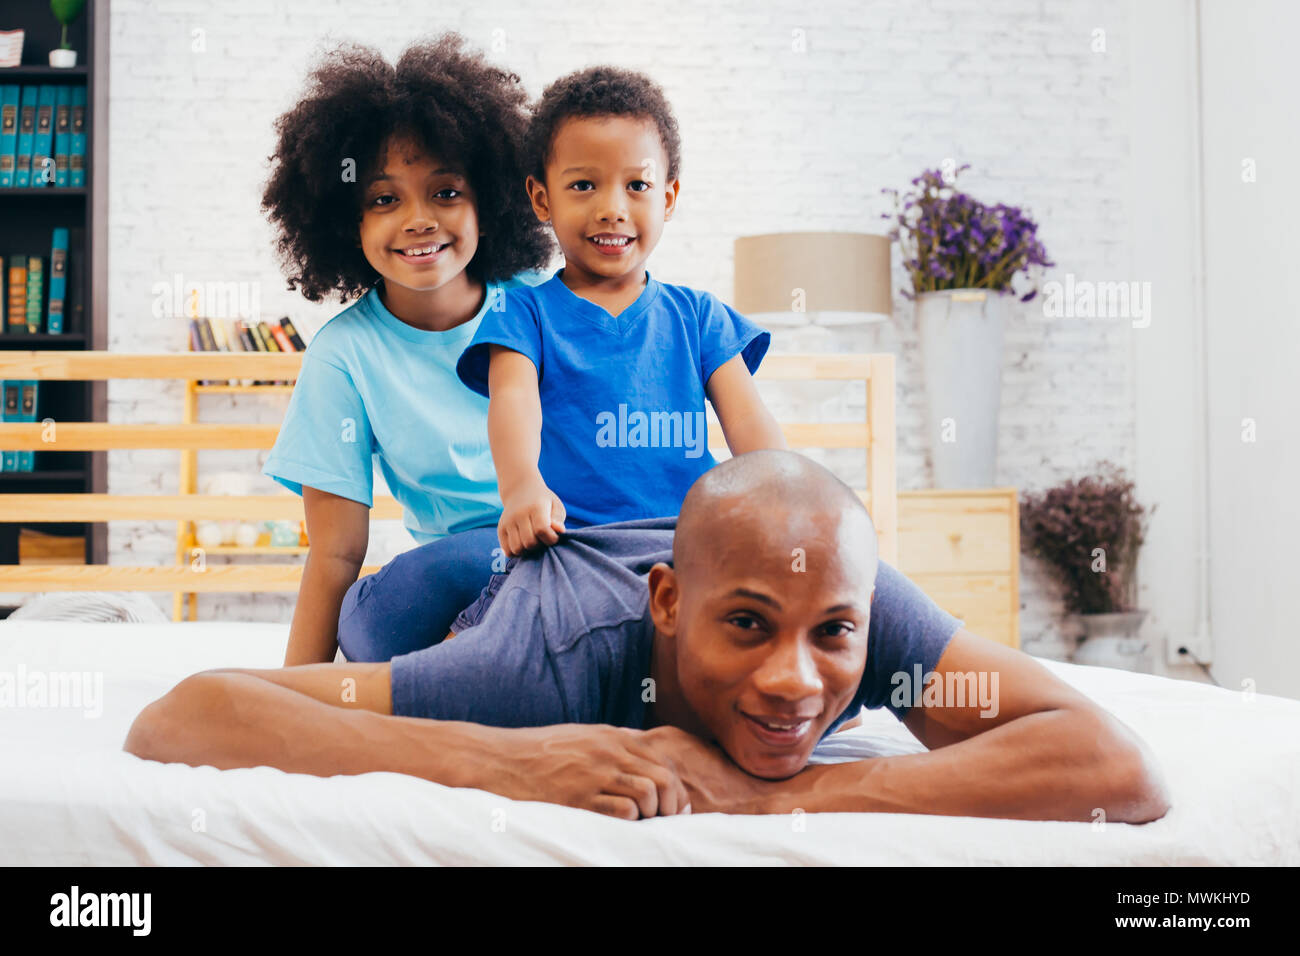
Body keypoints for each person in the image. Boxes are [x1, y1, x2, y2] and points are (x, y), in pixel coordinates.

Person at [125, 451, 1171, 824]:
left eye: (832, 636)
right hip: (465, 583)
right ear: (669, 604)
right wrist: (510, 760)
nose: (795, 680)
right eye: (747, 625)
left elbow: (1115, 764)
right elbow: (185, 712)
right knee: (391, 605)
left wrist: (773, 791)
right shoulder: (530, 669)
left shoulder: (856, 603)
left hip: (631, 537)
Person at [258, 34, 553, 665]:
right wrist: (298, 695)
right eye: (384, 199)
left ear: (491, 202)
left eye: (446, 192)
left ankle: (483, 660)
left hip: (559, 551)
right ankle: (501, 652)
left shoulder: (542, 306)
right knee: (377, 620)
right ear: (347, 220)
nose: (418, 220)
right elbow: (337, 552)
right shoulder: (344, 355)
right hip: (448, 582)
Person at [455, 64, 787, 556]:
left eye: (638, 185)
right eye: (584, 186)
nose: (613, 207)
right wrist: (523, 488)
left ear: (668, 197)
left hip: (695, 540)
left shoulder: (698, 316)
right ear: (541, 200)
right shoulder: (523, 313)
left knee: (863, 582)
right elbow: (513, 404)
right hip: (577, 545)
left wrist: (790, 500)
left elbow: (749, 423)